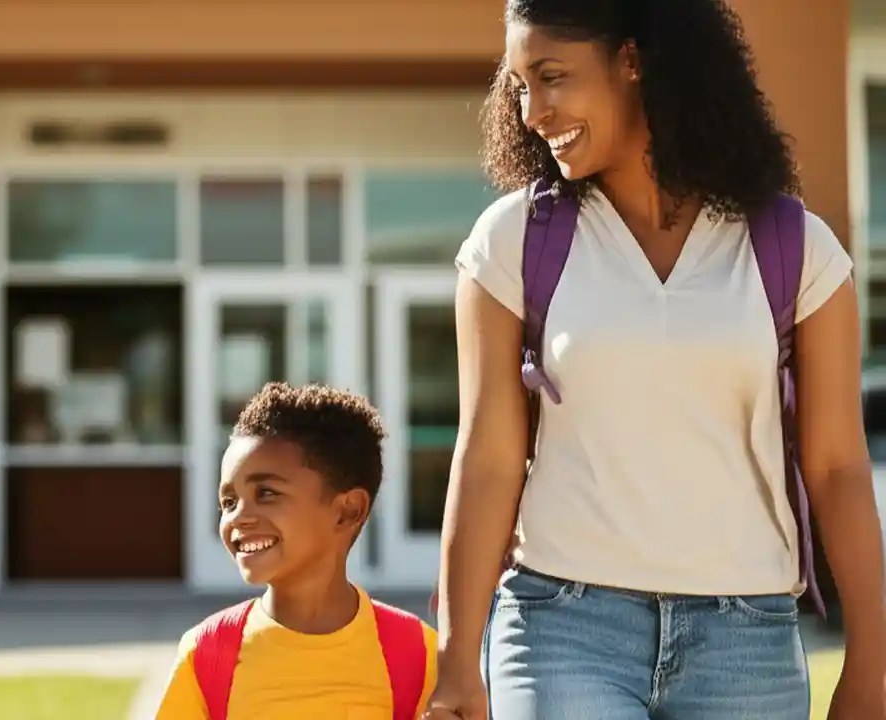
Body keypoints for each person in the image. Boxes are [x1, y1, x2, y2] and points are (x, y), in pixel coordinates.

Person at [426, 1, 886, 718]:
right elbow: (486, 458)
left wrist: (874, 661)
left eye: (550, 77)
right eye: (518, 86)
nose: (532, 112)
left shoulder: (795, 248)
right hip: (561, 625)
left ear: (633, 62)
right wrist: (458, 654)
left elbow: (838, 468)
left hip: (745, 638)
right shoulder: (514, 241)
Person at [156, 382, 437, 719]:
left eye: (267, 493)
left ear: (347, 511)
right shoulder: (208, 654)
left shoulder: (416, 653)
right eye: (228, 502)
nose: (238, 518)